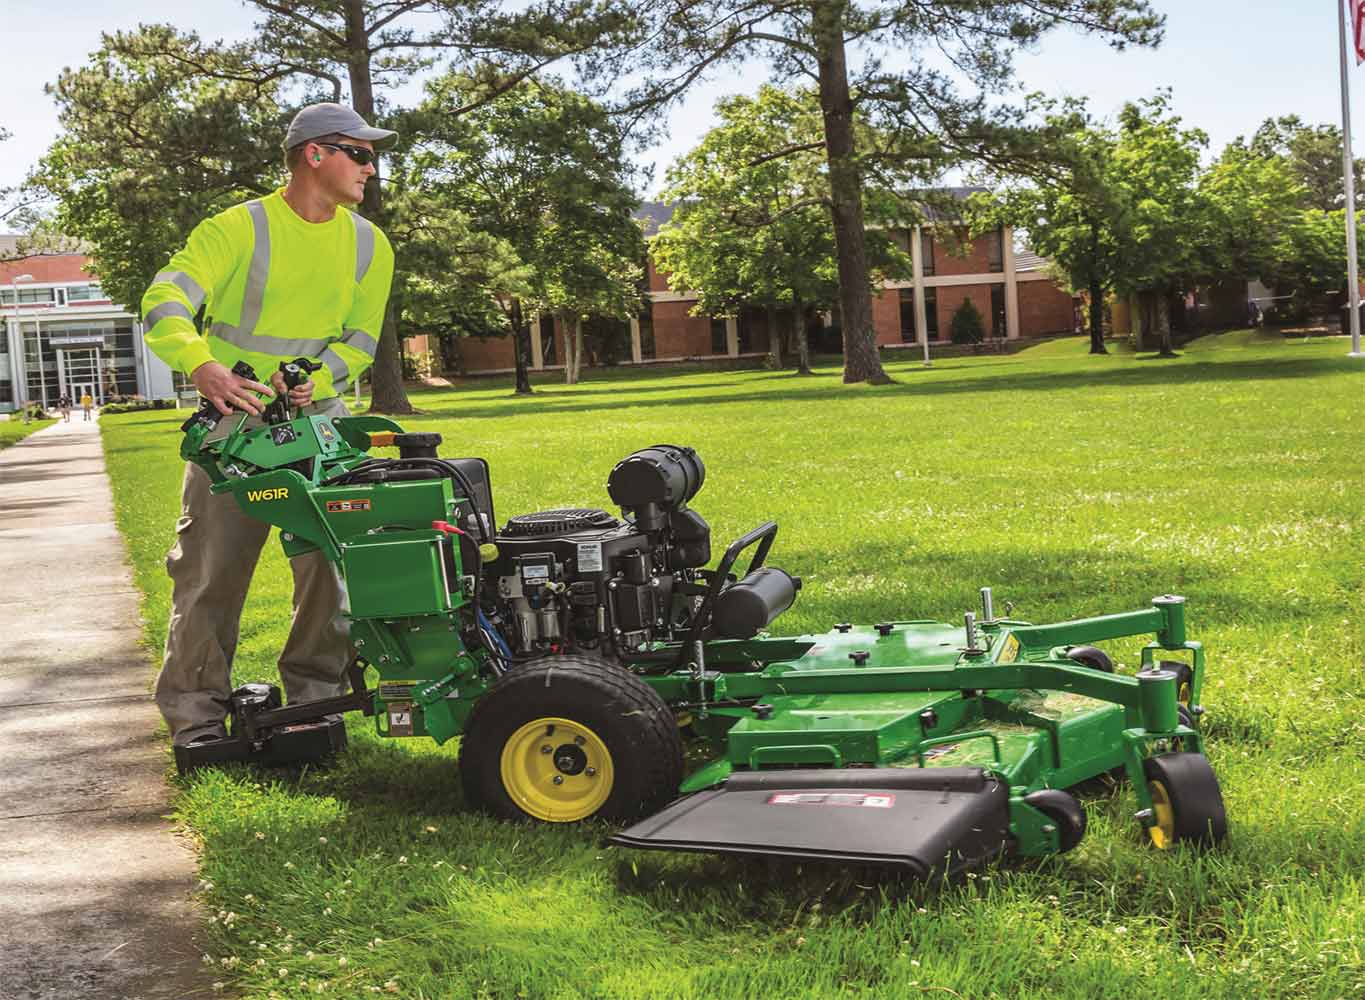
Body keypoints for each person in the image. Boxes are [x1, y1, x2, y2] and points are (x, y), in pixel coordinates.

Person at [139, 103, 397, 747]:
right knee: (211, 573)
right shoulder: (238, 228)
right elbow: (165, 298)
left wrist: (320, 379)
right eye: (360, 154)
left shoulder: (370, 244)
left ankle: (315, 699)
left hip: (319, 426)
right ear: (316, 154)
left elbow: (360, 341)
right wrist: (202, 366)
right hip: (234, 427)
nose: (371, 168)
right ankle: (197, 716)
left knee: (331, 566)